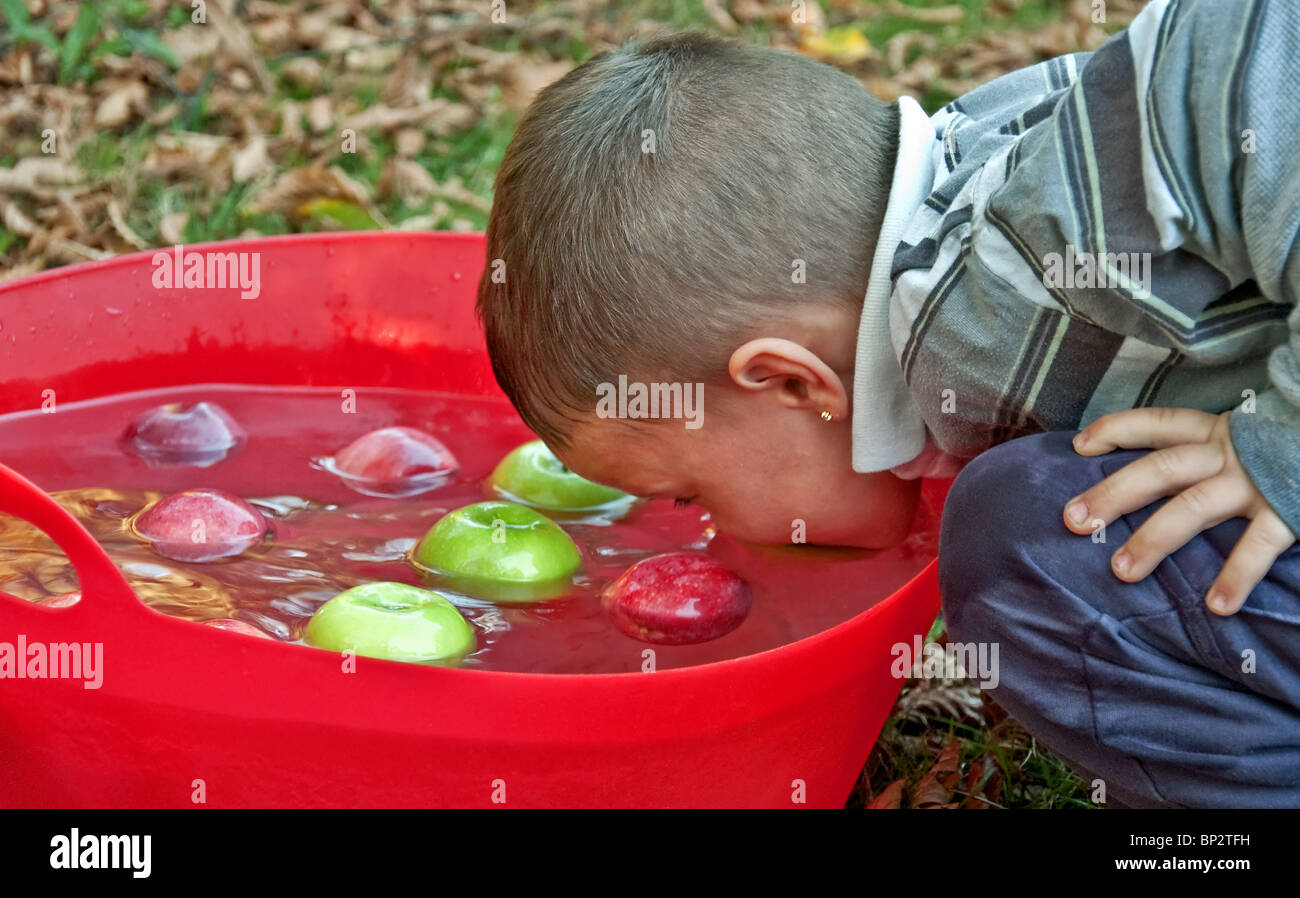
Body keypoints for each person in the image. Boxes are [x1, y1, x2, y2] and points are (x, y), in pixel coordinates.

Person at [475, 0, 1300, 807]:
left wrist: (1280, 449)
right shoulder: (995, 160)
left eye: (691, 495)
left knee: (1031, 538)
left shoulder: (1036, 249)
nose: (711, 533)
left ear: (793, 383)